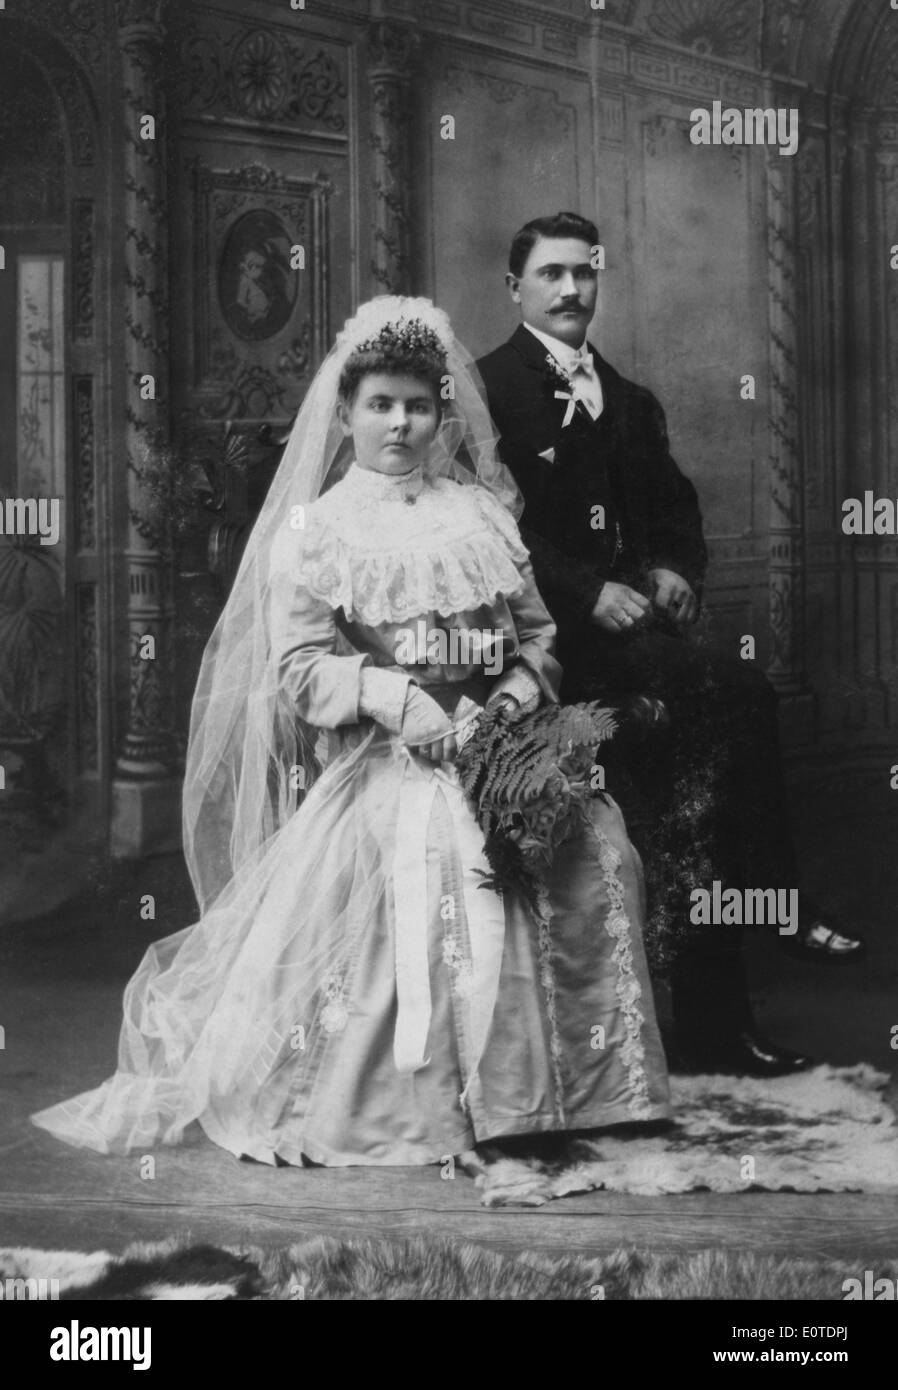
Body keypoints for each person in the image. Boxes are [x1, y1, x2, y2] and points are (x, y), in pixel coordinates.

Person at [32, 297, 670, 1165]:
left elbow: (540, 637)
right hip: (387, 757)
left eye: (416, 404)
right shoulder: (321, 529)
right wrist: (397, 701)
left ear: (442, 413)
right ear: (347, 415)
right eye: (380, 405)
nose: (400, 422)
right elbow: (298, 667)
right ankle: (442, 1106)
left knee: (597, 841)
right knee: (443, 858)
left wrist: (513, 705)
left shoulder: (479, 515)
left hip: (498, 741)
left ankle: (570, 1093)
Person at [476, 212, 864, 1078]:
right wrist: (586, 590)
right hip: (544, 648)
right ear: (515, 288)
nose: (572, 289)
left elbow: (676, 508)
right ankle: (778, 912)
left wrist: (672, 566)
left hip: (634, 642)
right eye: (551, 275)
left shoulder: (631, 398)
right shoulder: (485, 391)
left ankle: (716, 1028)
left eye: (584, 273)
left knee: (713, 747)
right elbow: (489, 530)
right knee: (737, 698)